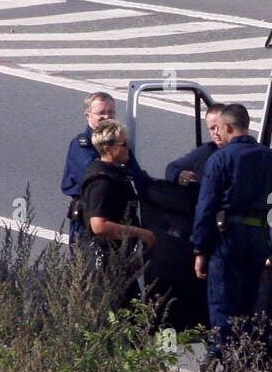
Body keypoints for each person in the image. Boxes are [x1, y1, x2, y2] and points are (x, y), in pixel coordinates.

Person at [192, 103, 272, 363]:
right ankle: (252, 359)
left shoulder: (220, 159)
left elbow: (206, 207)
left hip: (227, 239)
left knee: (223, 301)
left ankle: (221, 361)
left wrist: (200, 249)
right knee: (252, 303)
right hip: (259, 239)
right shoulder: (270, 157)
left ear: (227, 127)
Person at [80, 119, 156, 305]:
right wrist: (141, 233)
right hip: (108, 264)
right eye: (123, 144)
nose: (128, 147)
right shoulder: (102, 182)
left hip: (120, 260)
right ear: (108, 148)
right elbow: (99, 225)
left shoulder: (117, 174)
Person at [62, 91, 152, 243]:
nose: (107, 117)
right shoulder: (82, 145)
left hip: (117, 217)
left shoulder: (119, 144)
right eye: (101, 113)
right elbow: (95, 177)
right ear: (88, 116)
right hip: (90, 217)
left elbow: (138, 177)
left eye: (111, 112)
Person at [165, 104, 226, 187]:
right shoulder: (205, 152)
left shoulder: (243, 152)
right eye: (212, 128)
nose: (216, 132)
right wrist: (179, 175)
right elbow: (171, 168)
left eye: (219, 127)